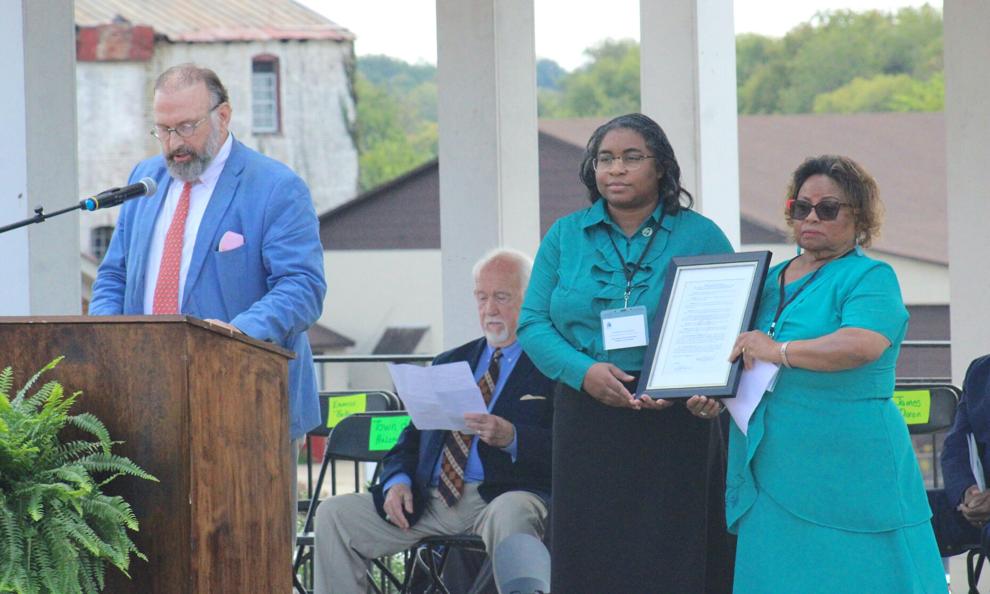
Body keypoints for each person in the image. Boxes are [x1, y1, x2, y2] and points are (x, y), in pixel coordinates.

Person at [687, 155, 946, 592]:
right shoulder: (765, 279)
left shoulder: (870, 276)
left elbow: (861, 345)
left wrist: (779, 350)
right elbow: (735, 352)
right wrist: (715, 392)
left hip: (849, 466)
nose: (810, 217)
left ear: (859, 218)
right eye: (800, 206)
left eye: (827, 209)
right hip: (770, 464)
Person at [88, 64, 326, 522]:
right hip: (148, 404)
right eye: (163, 129)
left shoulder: (275, 187)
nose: (175, 143)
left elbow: (302, 287)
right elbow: (114, 275)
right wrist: (107, 338)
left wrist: (231, 337)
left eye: (187, 127)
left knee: (245, 558)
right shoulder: (146, 178)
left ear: (224, 115)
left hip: (246, 406)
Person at [517, 113, 735, 593]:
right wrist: (585, 371)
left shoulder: (700, 235)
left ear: (661, 168)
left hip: (680, 420)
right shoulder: (564, 235)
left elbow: (736, 319)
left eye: (631, 158)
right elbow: (532, 322)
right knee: (593, 556)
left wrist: (712, 388)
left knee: (678, 555)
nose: (615, 169)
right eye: (605, 159)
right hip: (587, 413)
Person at [313, 249, 553, 594]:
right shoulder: (451, 361)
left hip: (501, 495)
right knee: (334, 515)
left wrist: (513, 437)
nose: (490, 309)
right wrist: (397, 479)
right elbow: (410, 438)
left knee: (512, 510)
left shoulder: (549, 364)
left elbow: (568, 448)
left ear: (530, 300)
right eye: (481, 297)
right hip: (434, 499)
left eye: (502, 297)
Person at [930, 354, 990, 557]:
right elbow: (956, 448)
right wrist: (967, 492)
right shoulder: (980, 371)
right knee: (906, 515)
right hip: (981, 501)